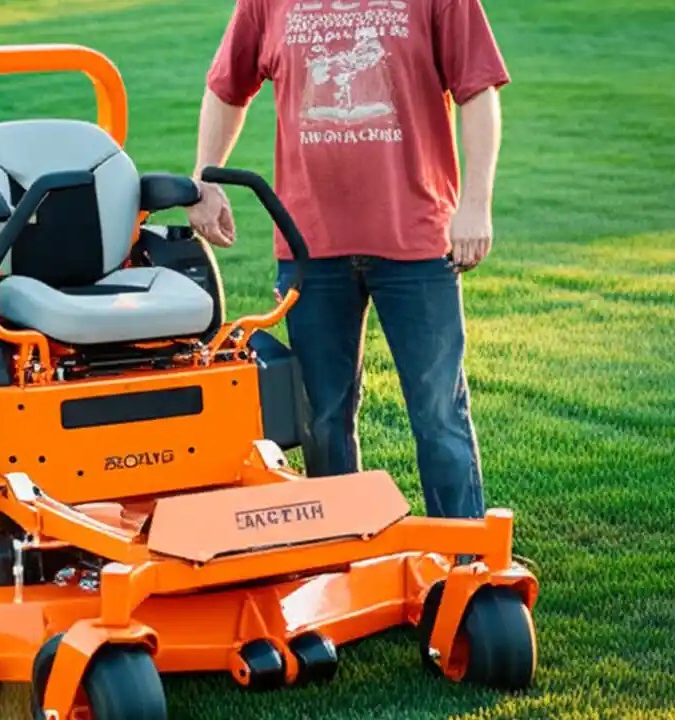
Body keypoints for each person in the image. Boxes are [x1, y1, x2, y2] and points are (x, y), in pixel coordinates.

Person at [189, 0, 510, 520]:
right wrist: (206, 177)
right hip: (309, 244)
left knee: (438, 413)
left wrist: (475, 204)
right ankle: (345, 554)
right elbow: (226, 88)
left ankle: (466, 558)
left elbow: (478, 90)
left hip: (418, 242)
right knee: (323, 415)